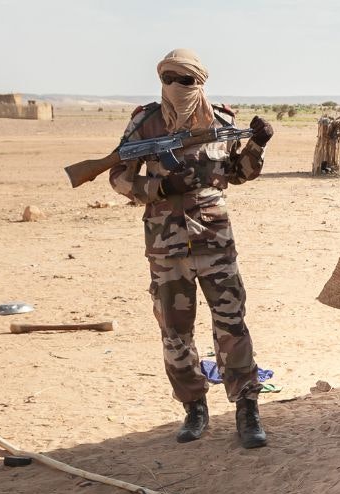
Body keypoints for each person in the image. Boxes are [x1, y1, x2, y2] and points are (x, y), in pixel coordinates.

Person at [109, 49, 274, 448]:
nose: (176, 88)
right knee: (175, 332)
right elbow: (117, 176)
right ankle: (194, 408)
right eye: (168, 79)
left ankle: (246, 408)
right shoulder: (144, 124)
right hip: (167, 248)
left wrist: (257, 146)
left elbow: (239, 174)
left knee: (232, 325)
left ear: (200, 83)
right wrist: (158, 188)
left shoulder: (221, 122)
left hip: (215, 242)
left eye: (186, 81)